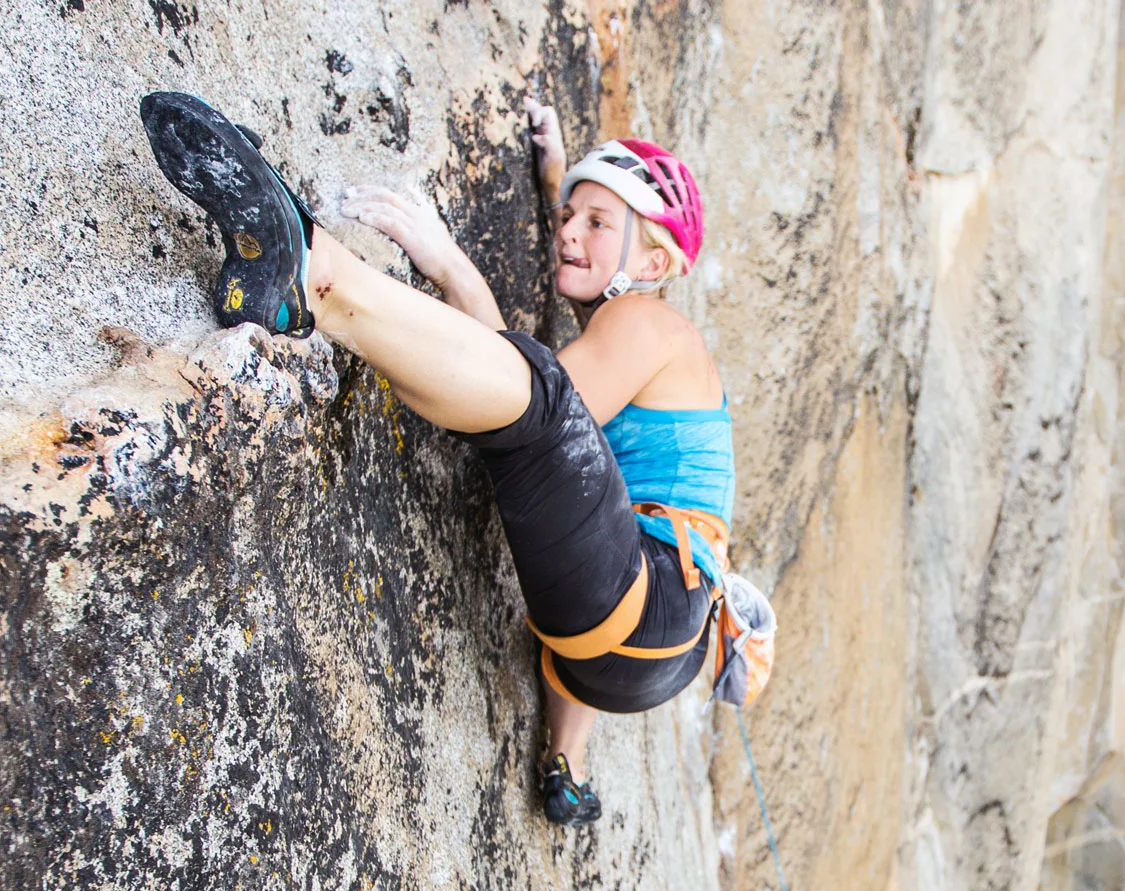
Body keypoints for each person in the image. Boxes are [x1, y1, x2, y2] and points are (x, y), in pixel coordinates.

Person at [138, 91, 734, 828]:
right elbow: (531, 400)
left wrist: (448, 257)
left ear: (655, 259)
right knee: (541, 418)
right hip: (629, 657)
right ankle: (567, 766)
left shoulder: (653, 320)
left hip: (648, 601)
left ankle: (316, 277)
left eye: (596, 223)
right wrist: (554, 173)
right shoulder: (636, 326)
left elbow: (540, 403)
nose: (569, 235)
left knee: (539, 405)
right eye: (566, 218)